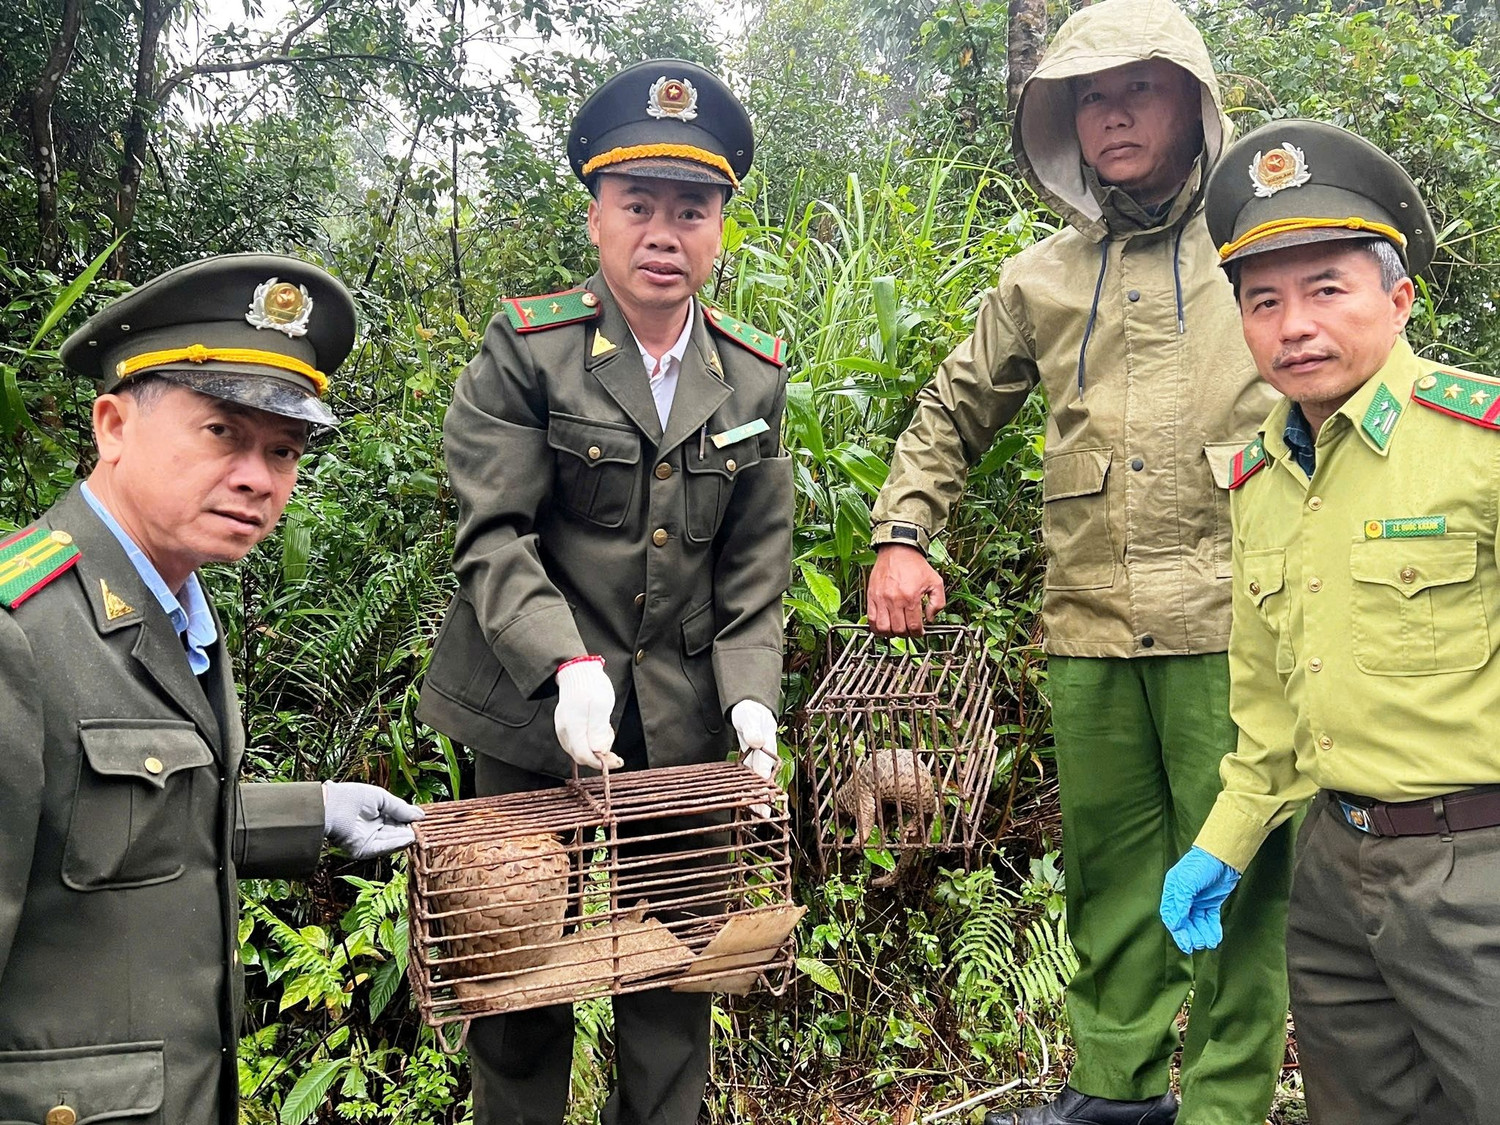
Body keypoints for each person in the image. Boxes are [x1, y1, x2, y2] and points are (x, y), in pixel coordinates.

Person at [864, 1, 1295, 1121]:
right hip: (1093, 631)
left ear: (1189, 102)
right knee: (1109, 884)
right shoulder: (1042, 279)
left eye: (1134, 91)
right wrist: (904, 534)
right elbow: (951, 411)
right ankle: (1114, 1100)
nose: (1110, 117)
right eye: (1089, 99)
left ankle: (1227, 1107)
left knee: (1239, 888)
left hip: (1235, 626)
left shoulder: (1260, 251)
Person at [417, 59, 793, 1125]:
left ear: (721, 227)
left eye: (693, 209)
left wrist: (751, 701)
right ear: (596, 218)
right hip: (532, 714)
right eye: (640, 207)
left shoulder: (753, 375)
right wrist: (565, 664)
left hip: (680, 726)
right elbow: (493, 532)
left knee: (674, 981)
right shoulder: (530, 350)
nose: (664, 233)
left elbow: (754, 566)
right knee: (514, 978)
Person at [0, 253, 423, 1125]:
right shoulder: (22, 631)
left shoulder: (175, 607)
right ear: (113, 425)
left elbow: (114, 827)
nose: (259, 479)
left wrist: (311, 813)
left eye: (283, 450)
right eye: (223, 433)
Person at [1161, 118, 1500, 1124]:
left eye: (1326, 290)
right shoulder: (1262, 479)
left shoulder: (1478, 445)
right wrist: (1222, 846)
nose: (1294, 325)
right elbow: (1268, 712)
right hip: (1332, 874)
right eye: (1263, 301)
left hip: (1476, 870)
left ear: (1398, 301)